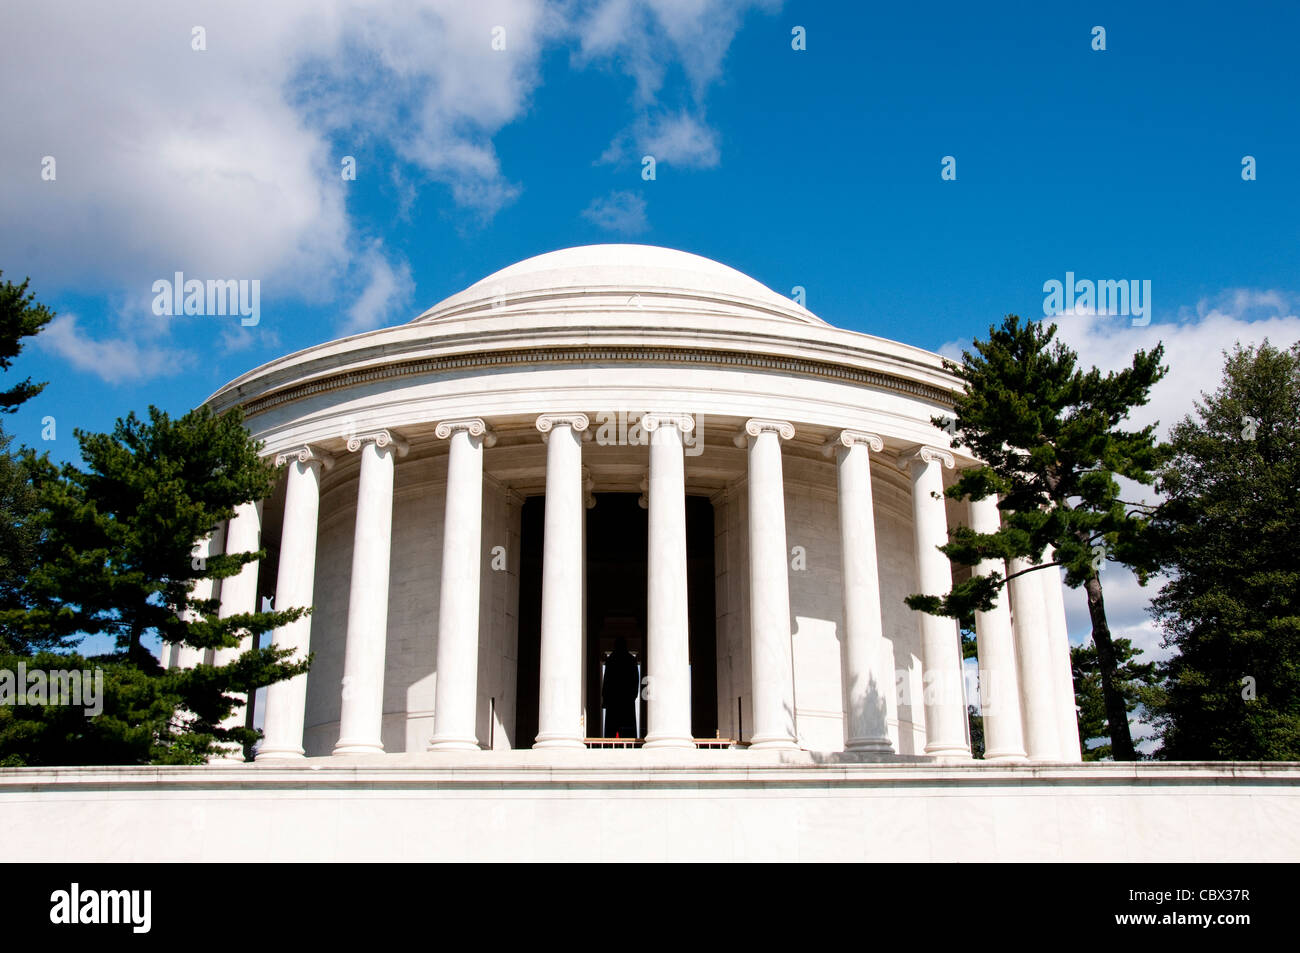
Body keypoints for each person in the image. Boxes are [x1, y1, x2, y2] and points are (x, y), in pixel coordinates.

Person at [602, 637, 640, 738]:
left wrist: (605, 699)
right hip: (627, 700)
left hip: (613, 700)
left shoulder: (611, 659)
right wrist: (633, 695)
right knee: (628, 731)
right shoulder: (631, 660)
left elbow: (606, 681)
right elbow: (636, 680)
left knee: (611, 730)